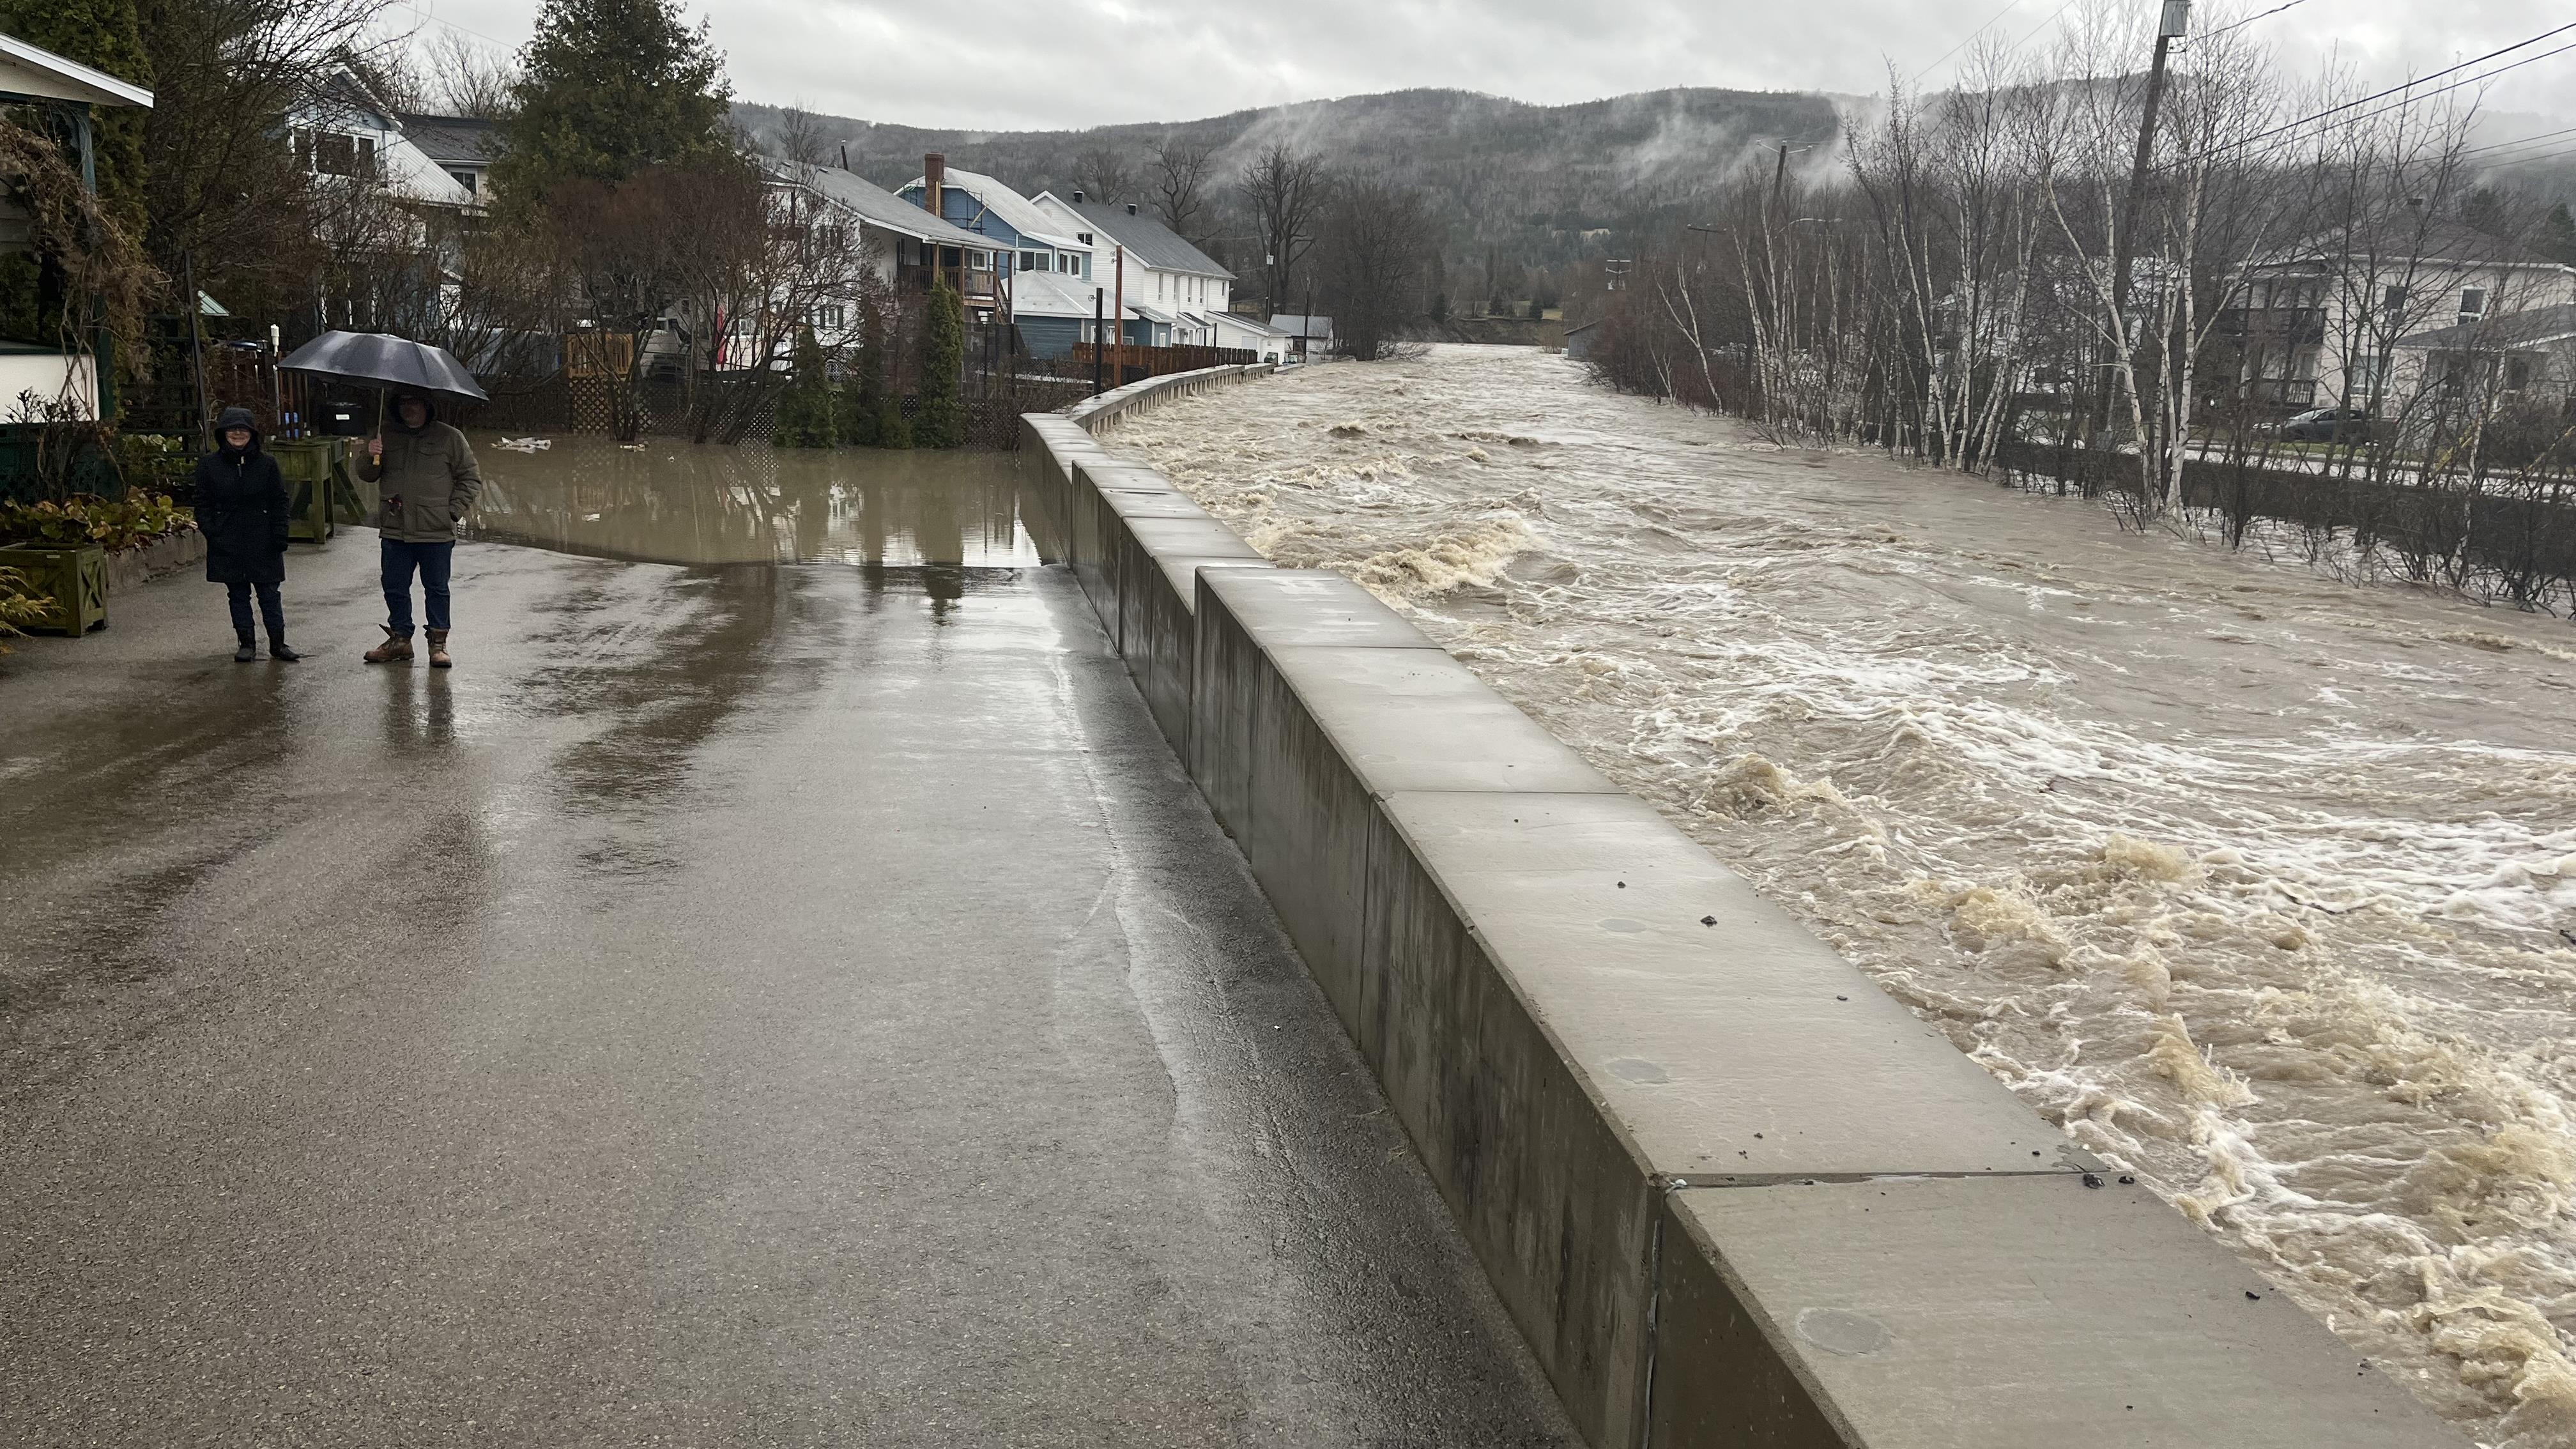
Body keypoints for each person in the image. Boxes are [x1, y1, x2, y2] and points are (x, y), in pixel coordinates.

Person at [358, 390, 482, 668]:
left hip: (435, 531)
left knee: (437, 588)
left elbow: (470, 478)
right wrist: (370, 455)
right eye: (403, 402)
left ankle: (438, 644)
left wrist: (452, 511)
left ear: (426, 405)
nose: (408, 408)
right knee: (394, 586)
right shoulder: (383, 435)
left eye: (414, 402)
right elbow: (367, 475)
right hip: (395, 527)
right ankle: (400, 640)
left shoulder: (450, 437)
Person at [192, 405, 298, 662]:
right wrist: (213, 532)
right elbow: (202, 503)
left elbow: (280, 501)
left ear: (252, 433)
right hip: (227, 541)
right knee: (238, 594)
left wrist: (280, 534)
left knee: (270, 594)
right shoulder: (209, 466)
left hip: (263, 541)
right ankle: (246, 643)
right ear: (223, 434)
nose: (238, 434)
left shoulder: (267, 464)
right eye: (232, 429)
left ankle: (278, 643)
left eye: (243, 429)